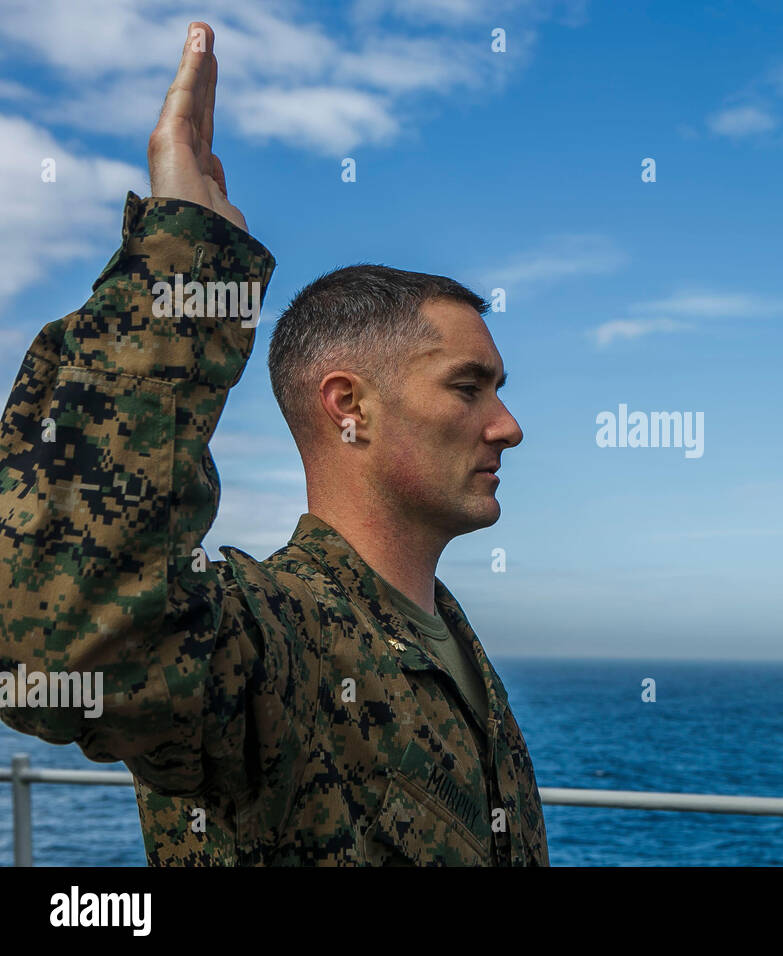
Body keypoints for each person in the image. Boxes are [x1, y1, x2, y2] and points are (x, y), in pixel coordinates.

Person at [0, 21, 546, 866]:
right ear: (348, 407)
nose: (507, 425)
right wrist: (187, 262)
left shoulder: (448, 644)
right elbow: (51, 636)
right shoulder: (275, 644)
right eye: (468, 388)